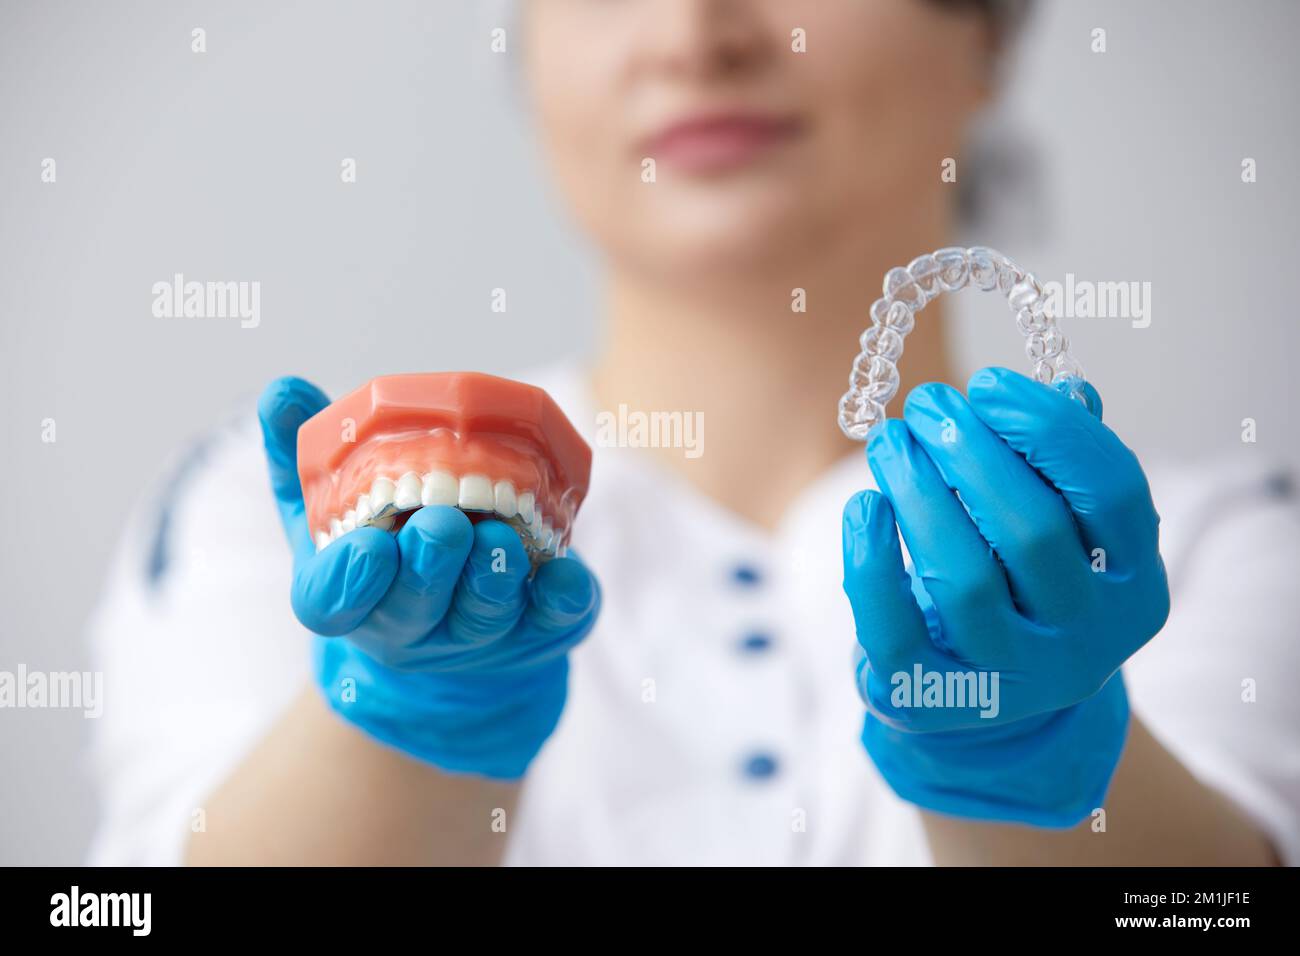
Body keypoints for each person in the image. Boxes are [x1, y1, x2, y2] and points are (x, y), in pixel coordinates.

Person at [87, 0, 1299, 866]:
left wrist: (1043, 768)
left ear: (985, 30)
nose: (693, 32)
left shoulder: (1235, 549)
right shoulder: (267, 517)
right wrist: (402, 727)